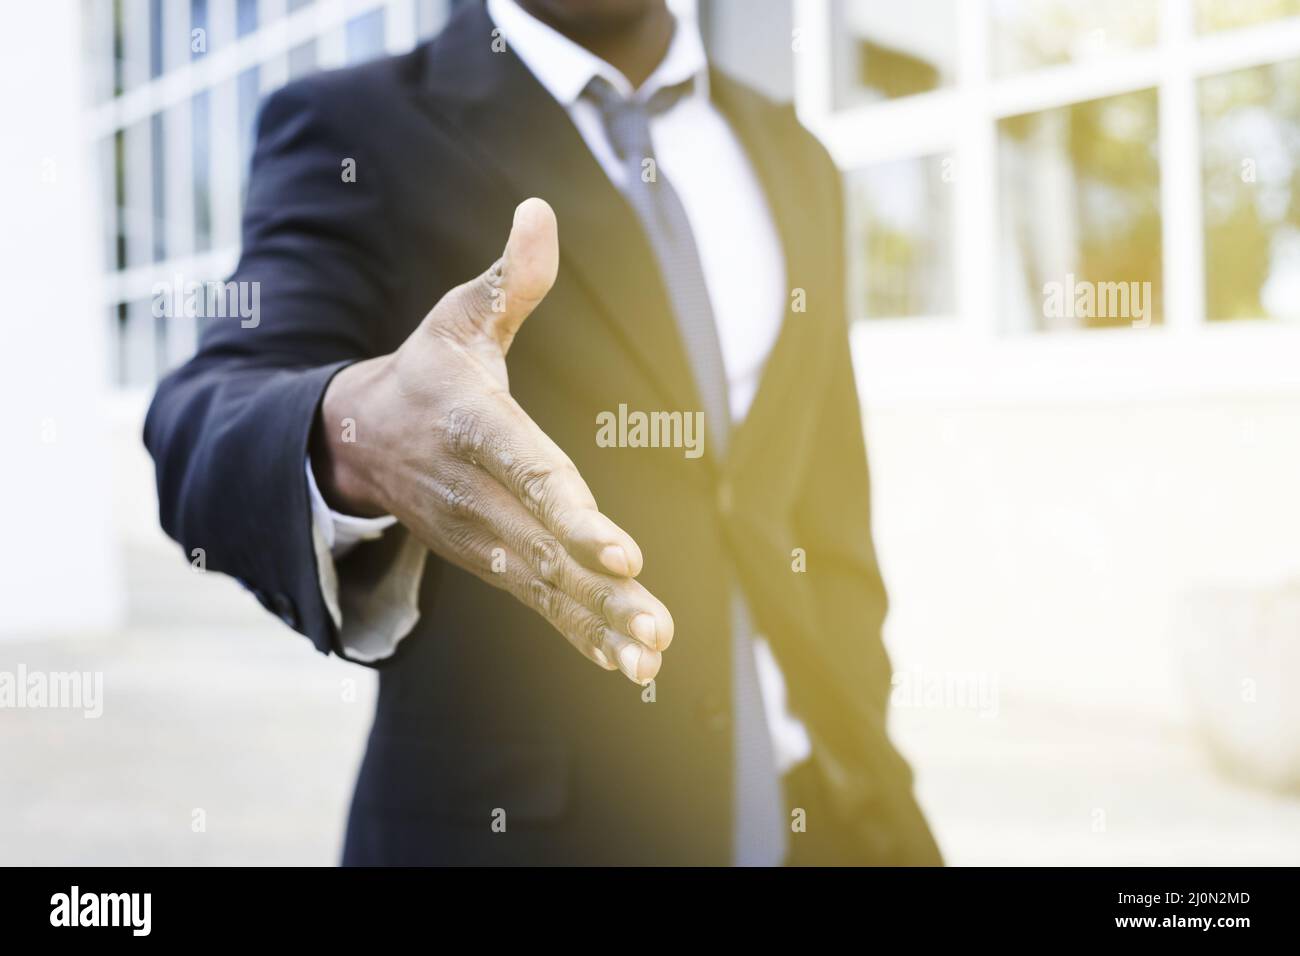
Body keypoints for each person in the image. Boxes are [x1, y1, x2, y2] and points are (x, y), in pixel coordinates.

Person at [144, 0, 942, 865]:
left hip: (828, 812)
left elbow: (828, 504)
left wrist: (866, 738)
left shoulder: (794, 156)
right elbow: (209, 410)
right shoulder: (353, 129)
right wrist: (361, 432)